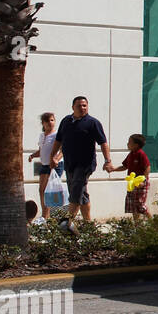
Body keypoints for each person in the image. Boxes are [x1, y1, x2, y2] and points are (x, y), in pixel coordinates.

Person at [50, 95, 114, 230]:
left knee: (76, 191)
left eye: (85, 105)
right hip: (69, 163)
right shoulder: (66, 121)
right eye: (79, 106)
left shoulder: (93, 123)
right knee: (81, 194)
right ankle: (89, 225)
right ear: (73, 107)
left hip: (85, 164)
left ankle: (67, 225)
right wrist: (53, 157)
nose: (82, 108)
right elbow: (58, 140)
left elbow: (103, 143)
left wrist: (108, 161)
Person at [26, 111, 63, 222]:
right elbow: (42, 151)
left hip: (54, 165)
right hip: (44, 164)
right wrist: (33, 155)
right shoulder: (42, 136)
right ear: (43, 123)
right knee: (41, 189)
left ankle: (47, 216)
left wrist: (56, 159)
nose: (50, 123)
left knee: (48, 190)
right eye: (47, 121)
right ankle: (45, 215)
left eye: (52, 120)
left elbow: (63, 149)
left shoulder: (57, 135)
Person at [113, 133, 151, 221]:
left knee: (140, 205)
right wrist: (113, 169)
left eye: (129, 142)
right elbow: (124, 166)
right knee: (133, 205)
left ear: (136, 145)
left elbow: (147, 167)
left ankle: (154, 223)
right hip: (132, 183)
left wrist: (143, 180)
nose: (127, 144)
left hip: (140, 183)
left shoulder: (141, 154)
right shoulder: (131, 154)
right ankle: (137, 225)